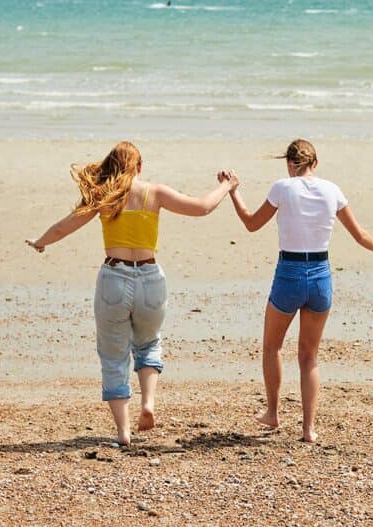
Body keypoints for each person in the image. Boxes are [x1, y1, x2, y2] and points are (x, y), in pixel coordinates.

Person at [27, 140, 235, 446]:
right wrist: (227, 186)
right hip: (151, 277)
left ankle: (123, 432)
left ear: (112, 166)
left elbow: (64, 227)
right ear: (140, 167)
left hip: (114, 276)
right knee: (149, 343)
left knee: (113, 356)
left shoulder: (104, 197)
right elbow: (202, 207)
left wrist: (41, 241)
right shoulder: (156, 192)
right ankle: (148, 403)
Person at [222, 138, 373, 443]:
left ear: (289, 163)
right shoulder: (332, 190)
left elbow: (250, 223)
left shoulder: (283, 188)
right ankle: (308, 429)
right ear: (316, 163)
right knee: (309, 357)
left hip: (289, 273)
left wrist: (233, 191)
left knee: (273, 347)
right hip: (321, 276)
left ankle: (272, 414)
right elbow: (359, 234)